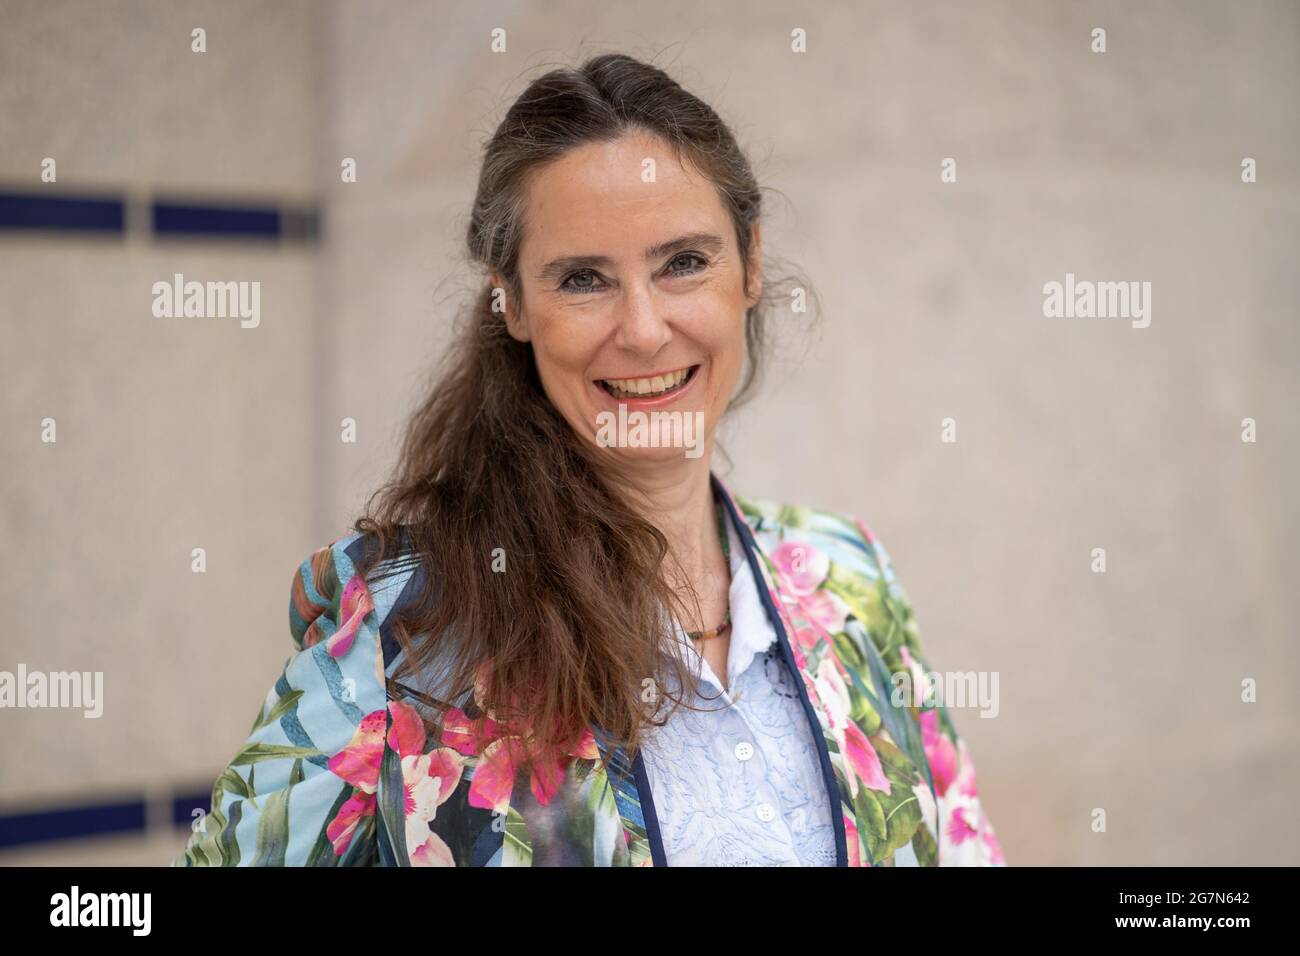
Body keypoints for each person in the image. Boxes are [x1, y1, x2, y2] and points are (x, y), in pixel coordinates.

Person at [172, 52, 1004, 867]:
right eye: (582, 279)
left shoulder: (847, 576)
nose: (643, 330)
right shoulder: (407, 622)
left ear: (750, 265)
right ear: (514, 304)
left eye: (683, 262)